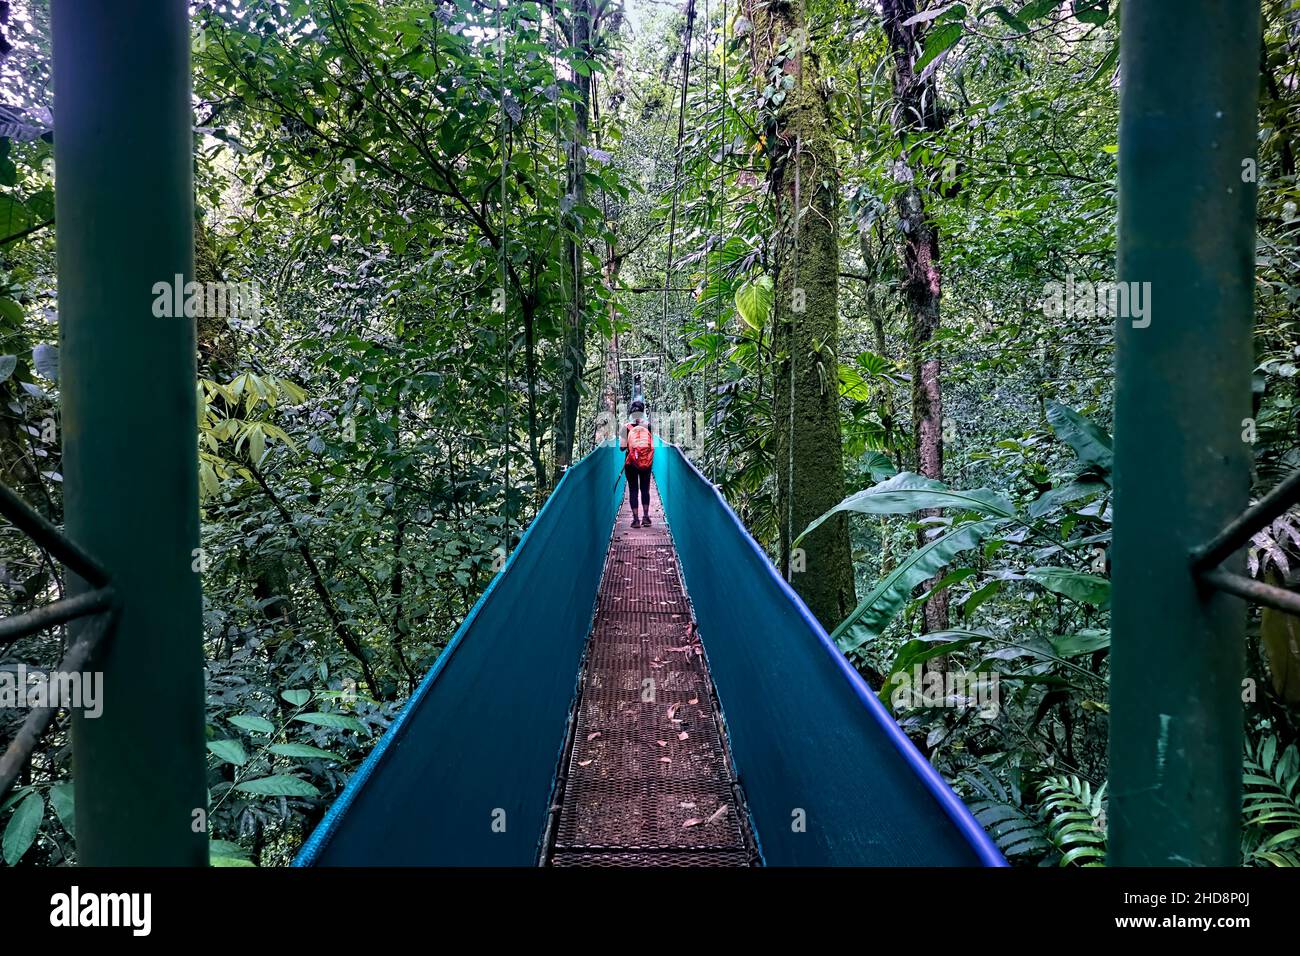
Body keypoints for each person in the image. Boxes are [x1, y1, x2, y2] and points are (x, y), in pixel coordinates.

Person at [620, 397, 654, 527]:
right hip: (646, 462)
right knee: (645, 489)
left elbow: (622, 448)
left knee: (633, 489)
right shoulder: (648, 426)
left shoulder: (626, 427)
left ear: (631, 413)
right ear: (643, 412)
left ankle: (635, 520)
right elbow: (651, 445)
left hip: (631, 463)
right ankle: (646, 517)